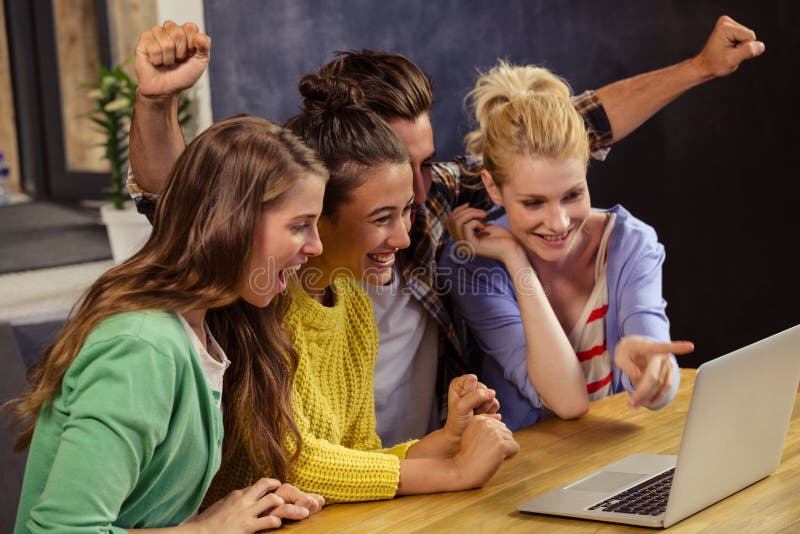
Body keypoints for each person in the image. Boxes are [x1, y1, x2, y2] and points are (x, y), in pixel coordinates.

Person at [128, 16, 763, 445]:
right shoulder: (284, 242)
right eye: (392, 185)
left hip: (417, 459)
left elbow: (556, 130)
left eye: (424, 164)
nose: (418, 192)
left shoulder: (432, 202)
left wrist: (701, 68)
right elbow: (182, 204)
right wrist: (157, 103)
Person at [131, 49, 518, 506]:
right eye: (381, 218)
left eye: (407, 213)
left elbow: (358, 458)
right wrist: (453, 470)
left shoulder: (352, 306)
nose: (402, 237)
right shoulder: (260, 300)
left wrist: (448, 438)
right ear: (319, 211)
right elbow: (296, 462)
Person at [7, 116, 327, 532]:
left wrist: (247, 507)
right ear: (233, 222)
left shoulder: (198, 330)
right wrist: (205, 530)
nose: (316, 247)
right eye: (300, 225)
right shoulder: (143, 346)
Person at [440, 62, 696, 431]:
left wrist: (655, 377)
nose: (559, 223)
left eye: (573, 194)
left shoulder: (630, 242)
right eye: (533, 203)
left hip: (619, 454)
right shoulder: (472, 265)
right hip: (528, 471)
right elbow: (567, 400)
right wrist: (516, 261)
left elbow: (656, 363)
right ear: (493, 188)